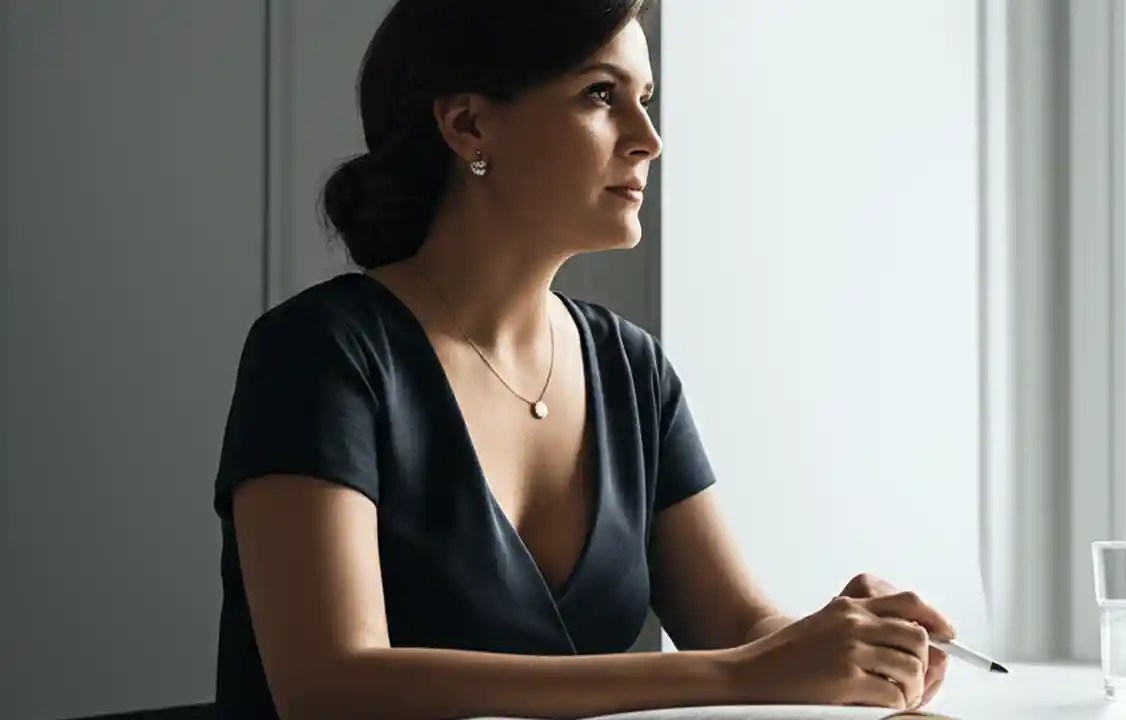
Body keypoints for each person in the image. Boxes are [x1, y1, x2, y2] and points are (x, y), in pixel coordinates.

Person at [212, 1, 958, 718]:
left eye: (647, 97)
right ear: (469, 125)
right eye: (600, 95)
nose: (648, 138)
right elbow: (329, 686)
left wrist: (848, 639)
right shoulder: (322, 352)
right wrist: (740, 672)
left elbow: (736, 628)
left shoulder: (632, 370)